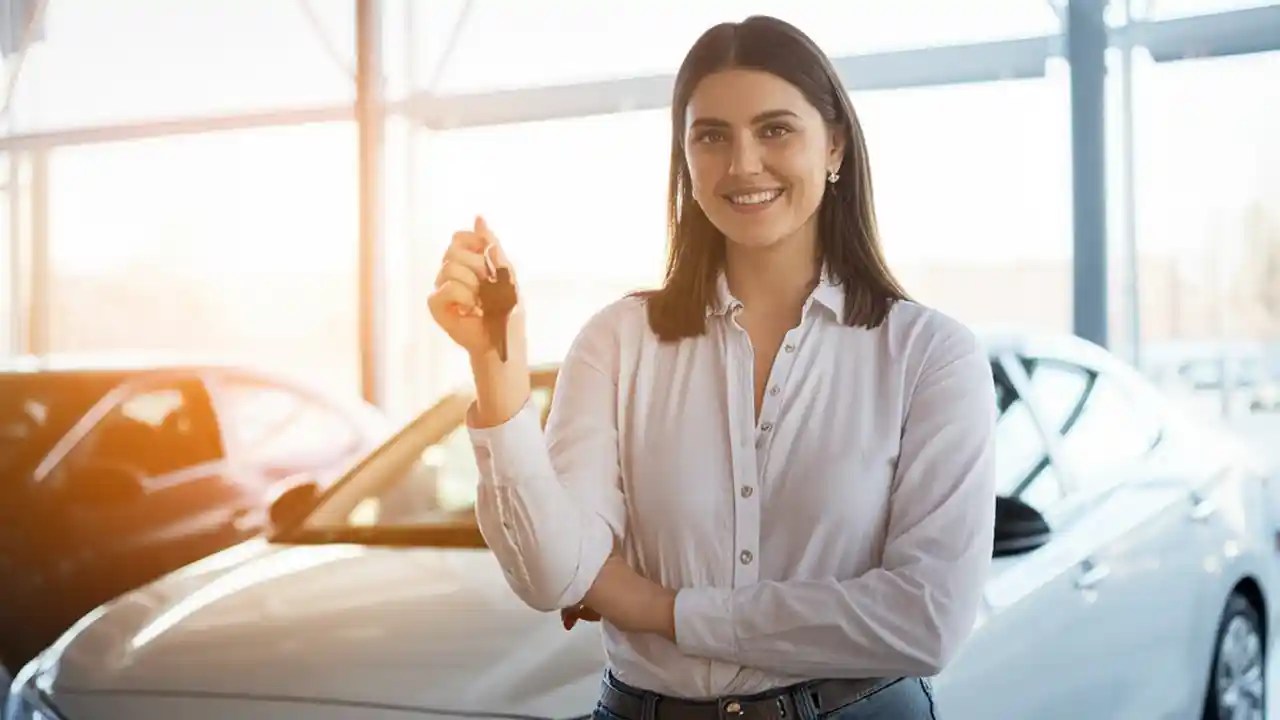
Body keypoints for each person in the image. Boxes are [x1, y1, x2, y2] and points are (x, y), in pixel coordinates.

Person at [428, 15, 997, 720]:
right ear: (686, 159)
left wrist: (662, 608)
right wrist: (496, 364)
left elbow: (926, 620)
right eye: (711, 137)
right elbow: (553, 574)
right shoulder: (616, 342)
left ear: (836, 148)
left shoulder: (930, 356)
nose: (743, 164)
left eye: (775, 129)